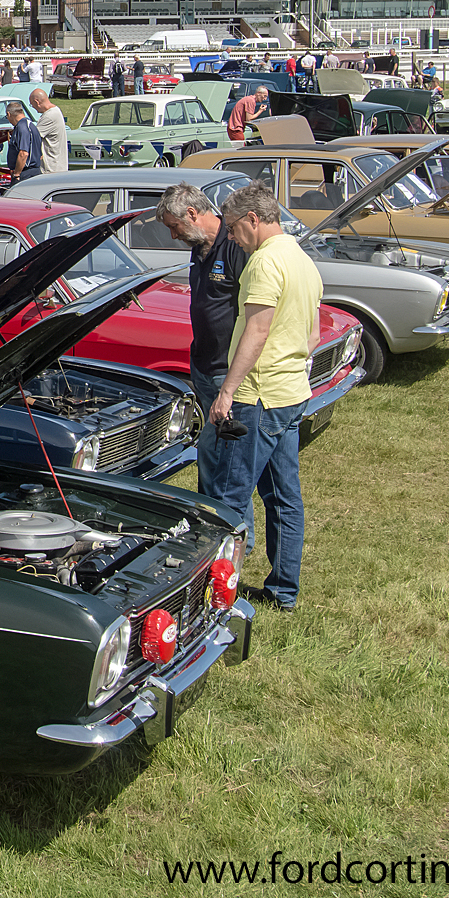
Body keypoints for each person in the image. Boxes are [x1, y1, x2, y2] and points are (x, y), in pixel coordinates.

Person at [203, 184, 321, 612]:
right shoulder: (302, 259)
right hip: (291, 394)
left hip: (258, 397)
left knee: (231, 499)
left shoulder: (264, 263)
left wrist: (227, 392)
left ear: (254, 219)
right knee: (284, 498)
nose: (231, 238)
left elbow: (257, 330)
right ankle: (283, 591)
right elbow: (312, 334)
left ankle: (220, 598)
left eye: (233, 229)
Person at [157, 182, 246, 498]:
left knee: (229, 461)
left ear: (192, 213)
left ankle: (233, 532)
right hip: (203, 366)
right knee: (210, 451)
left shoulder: (235, 246)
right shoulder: (199, 247)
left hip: (228, 370)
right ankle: (211, 520)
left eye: (174, 226)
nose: (173, 235)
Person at [29, 88, 69, 173]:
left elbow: (32, 136)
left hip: (51, 168)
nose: (32, 107)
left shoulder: (49, 116)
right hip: (56, 166)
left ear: (37, 102)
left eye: (31, 104)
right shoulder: (54, 111)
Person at [5, 100, 41, 180]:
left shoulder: (22, 127)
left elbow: (23, 153)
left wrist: (17, 174)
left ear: (9, 114)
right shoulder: (31, 125)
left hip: (26, 173)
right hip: (35, 171)